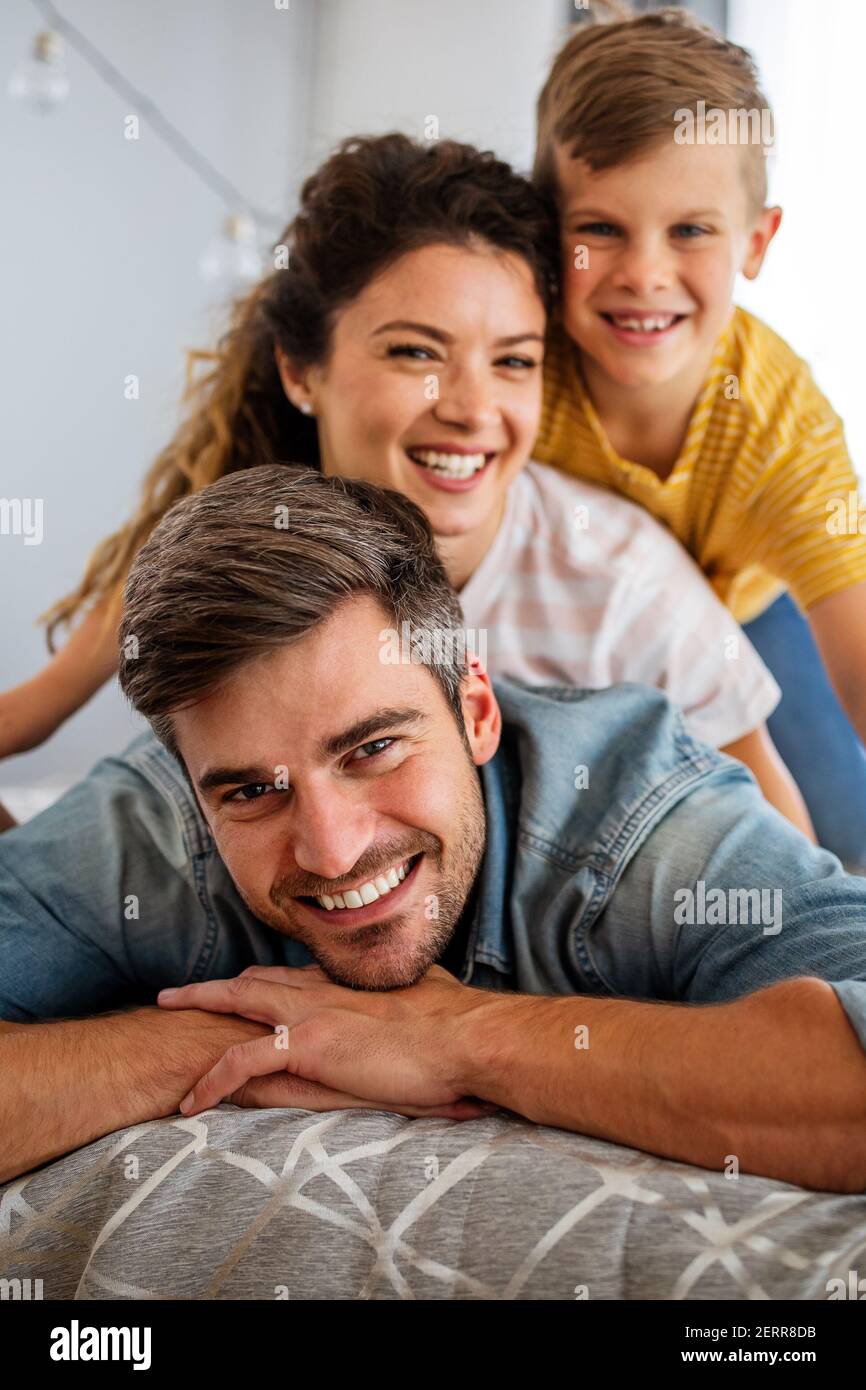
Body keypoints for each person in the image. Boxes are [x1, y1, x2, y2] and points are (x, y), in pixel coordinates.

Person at [2, 465, 866, 1193]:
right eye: (252, 795)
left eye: (374, 749)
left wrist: (459, 1038)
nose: (332, 851)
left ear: (476, 709)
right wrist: (251, 1038)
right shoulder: (144, 831)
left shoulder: (647, 821)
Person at [0, 135, 811, 837]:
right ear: (299, 368)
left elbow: (790, 892)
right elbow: (27, 718)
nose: (471, 410)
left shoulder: (625, 586)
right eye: (416, 354)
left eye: (514, 361)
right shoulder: (226, 551)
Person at [531, 6, 866, 864]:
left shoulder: (783, 425)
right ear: (544, 235)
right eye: (599, 228)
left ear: (757, 242)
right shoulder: (516, 363)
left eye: (691, 230)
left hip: (747, 618)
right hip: (580, 622)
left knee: (840, 829)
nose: (644, 273)